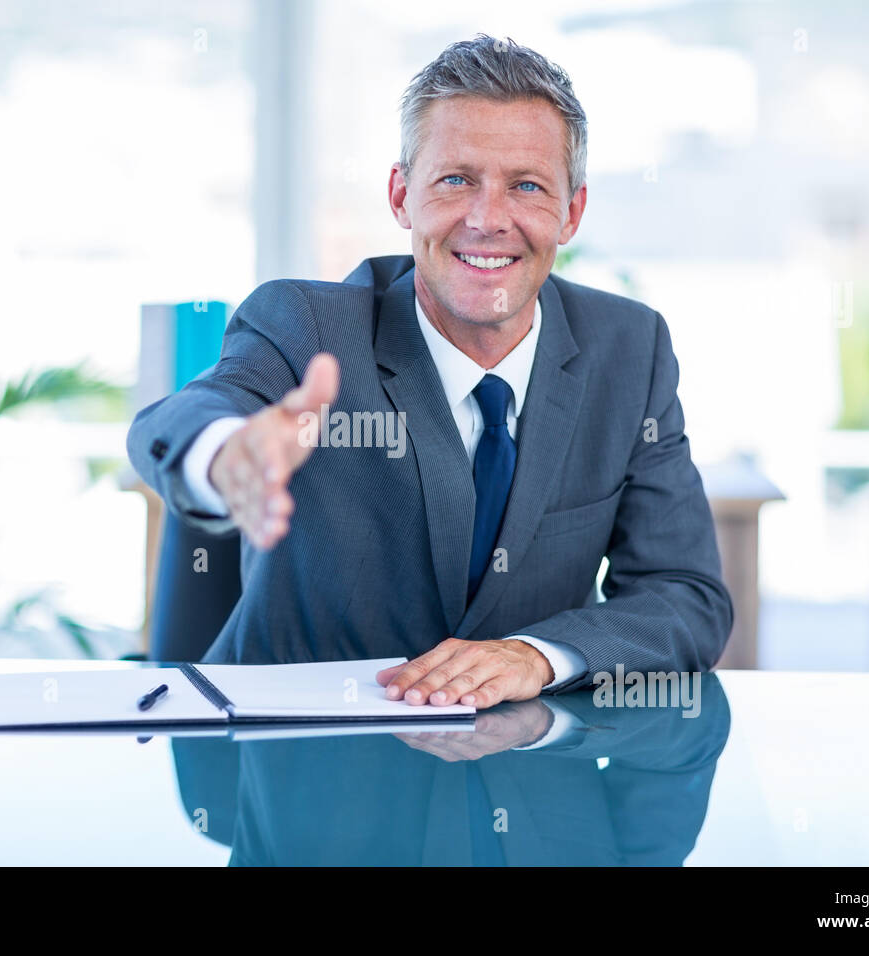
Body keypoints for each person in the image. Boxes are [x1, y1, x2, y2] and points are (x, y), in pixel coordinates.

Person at [128, 34, 732, 709]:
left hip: (522, 776)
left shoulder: (629, 349)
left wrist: (535, 656)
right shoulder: (305, 326)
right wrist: (223, 455)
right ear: (401, 196)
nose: (486, 219)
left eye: (526, 187)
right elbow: (184, 417)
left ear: (572, 213)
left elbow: (686, 597)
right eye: (455, 180)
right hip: (311, 780)